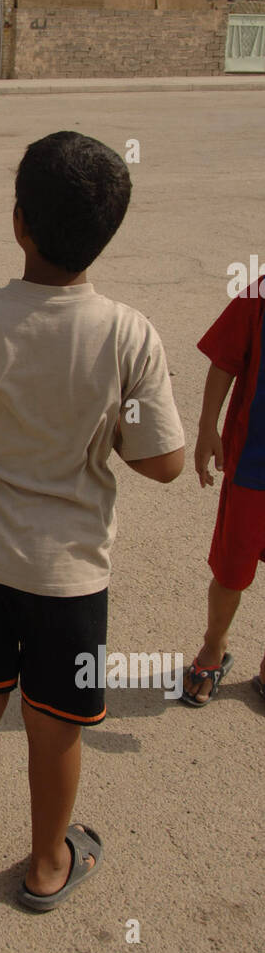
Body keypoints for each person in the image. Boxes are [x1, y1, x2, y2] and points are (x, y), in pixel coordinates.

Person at [0, 131, 185, 909]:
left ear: (18, 222)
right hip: (70, 574)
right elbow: (163, 463)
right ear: (108, 232)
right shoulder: (127, 334)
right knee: (57, 722)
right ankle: (47, 864)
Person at [181, 276, 265, 706]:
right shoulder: (260, 294)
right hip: (254, 466)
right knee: (232, 570)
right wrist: (206, 428)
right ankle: (213, 647)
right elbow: (225, 362)